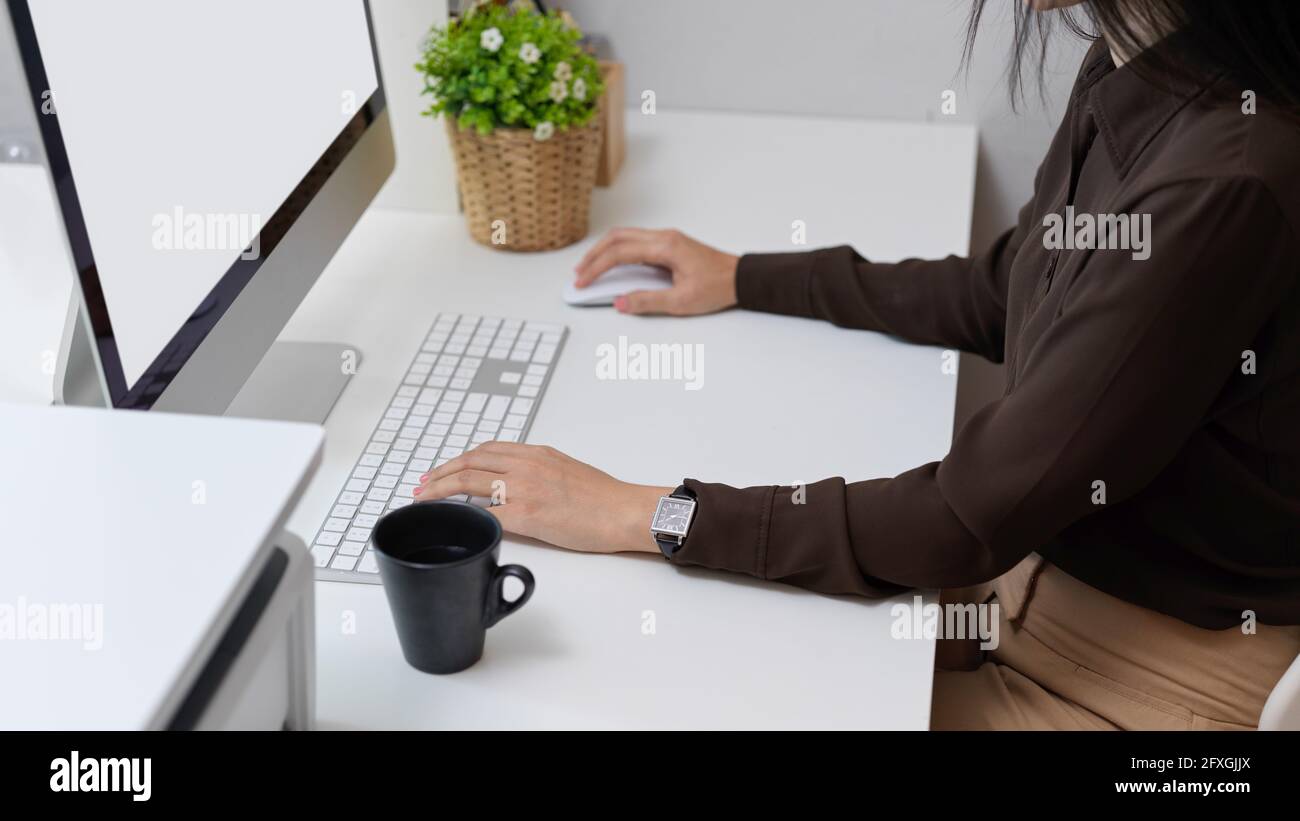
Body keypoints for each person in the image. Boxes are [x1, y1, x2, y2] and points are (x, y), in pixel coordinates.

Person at [416, 0, 1300, 729]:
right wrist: (750, 276)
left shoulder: (1224, 178)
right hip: (1035, 588)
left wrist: (644, 513)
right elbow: (1012, 288)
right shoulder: (1140, 61)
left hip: (1164, 689)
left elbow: (965, 514)